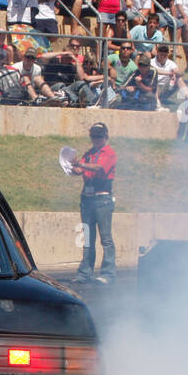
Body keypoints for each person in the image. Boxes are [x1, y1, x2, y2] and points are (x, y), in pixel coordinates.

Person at [69, 121, 116, 284]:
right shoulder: (89, 153)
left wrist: (80, 165)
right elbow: (81, 169)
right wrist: (72, 168)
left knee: (106, 238)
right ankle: (85, 273)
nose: (96, 139)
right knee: (87, 237)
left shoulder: (109, 153)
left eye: (99, 136)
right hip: (88, 199)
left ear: (105, 137)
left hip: (102, 198)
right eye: (93, 136)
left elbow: (99, 168)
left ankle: (108, 274)